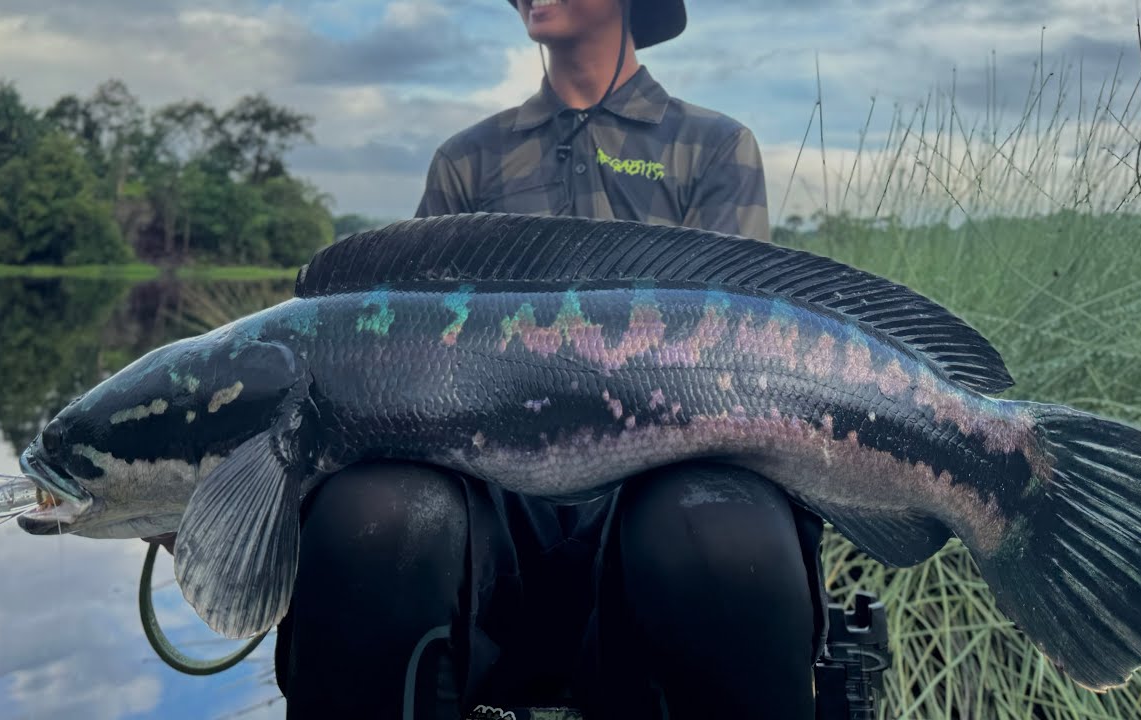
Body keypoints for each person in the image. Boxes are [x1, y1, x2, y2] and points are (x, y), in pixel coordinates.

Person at [273, 1, 827, 718]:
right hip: (486, 504)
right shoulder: (468, 159)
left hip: (653, 490)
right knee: (372, 520)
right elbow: (402, 347)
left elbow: (735, 349)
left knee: (723, 539)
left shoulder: (713, 147)